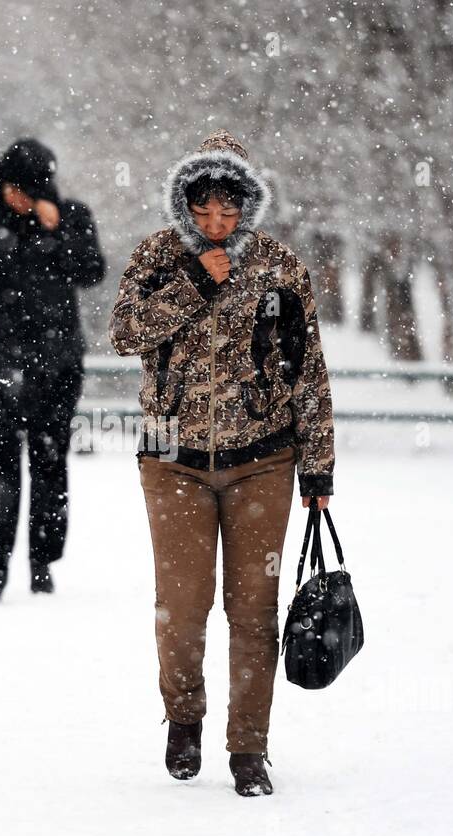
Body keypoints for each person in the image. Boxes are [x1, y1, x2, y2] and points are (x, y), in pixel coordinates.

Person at [109, 130, 335, 797]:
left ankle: (249, 749)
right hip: (173, 461)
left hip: (263, 462)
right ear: (184, 205)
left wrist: (318, 471)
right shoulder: (157, 256)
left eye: (228, 210)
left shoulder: (279, 268)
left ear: (247, 206)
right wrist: (190, 286)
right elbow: (123, 334)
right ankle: (184, 718)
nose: (216, 223)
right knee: (181, 607)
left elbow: (310, 371)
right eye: (203, 209)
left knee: (254, 609)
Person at [0, 138, 105, 598]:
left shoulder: (70, 217)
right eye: (14, 188)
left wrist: (59, 235)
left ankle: (43, 561)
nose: (19, 198)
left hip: (57, 366)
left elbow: (91, 272)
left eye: (29, 189)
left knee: (50, 464)